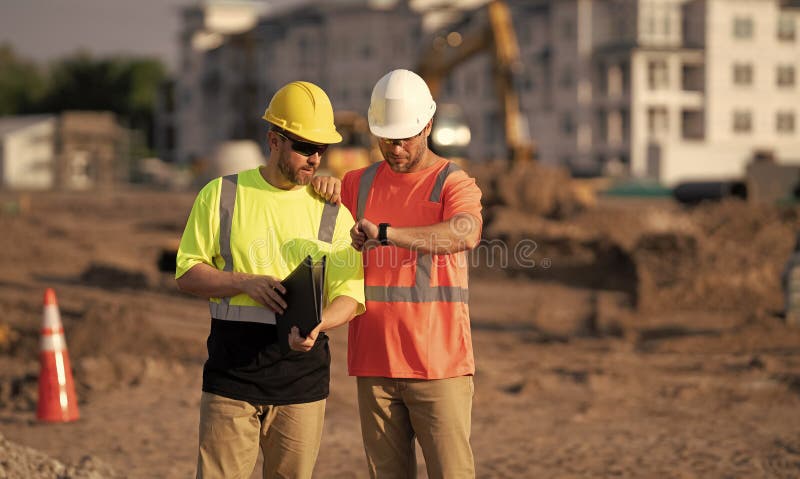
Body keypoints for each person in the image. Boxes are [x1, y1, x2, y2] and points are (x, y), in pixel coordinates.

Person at [175, 80, 365, 479]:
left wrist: (320, 324)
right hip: (231, 377)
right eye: (304, 147)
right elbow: (188, 273)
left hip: (301, 382)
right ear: (274, 140)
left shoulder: (334, 212)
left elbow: (349, 294)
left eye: (321, 149)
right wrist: (243, 282)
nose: (314, 159)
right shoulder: (221, 195)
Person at [318, 68, 483, 478]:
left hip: (439, 366)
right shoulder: (358, 182)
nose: (394, 147)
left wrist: (388, 234)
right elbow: (319, 234)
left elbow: (466, 231)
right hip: (375, 364)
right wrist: (320, 189)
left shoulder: (452, 182)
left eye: (404, 137)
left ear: (428, 125)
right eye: (386, 137)